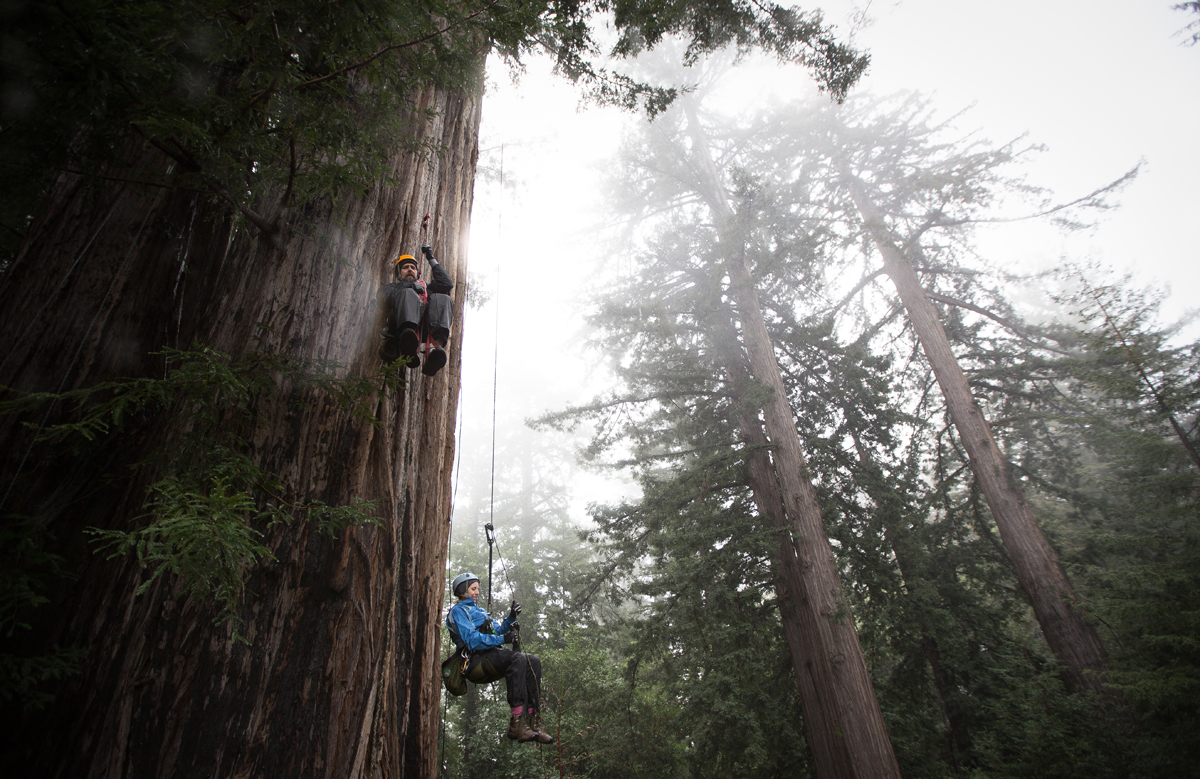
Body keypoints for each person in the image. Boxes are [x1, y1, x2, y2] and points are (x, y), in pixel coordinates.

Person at [445, 572, 554, 744]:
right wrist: (502, 640)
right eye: (473, 589)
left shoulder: (479, 611)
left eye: (478, 589)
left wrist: (511, 617)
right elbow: (472, 640)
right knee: (517, 659)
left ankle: (534, 721)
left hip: (490, 656)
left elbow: (497, 629)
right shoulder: (459, 611)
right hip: (474, 661)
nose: (477, 592)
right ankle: (516, 723)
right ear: (462, 591)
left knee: (533, 661)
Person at [378, 244, 453, 376]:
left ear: (417, 272)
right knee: (407, 293)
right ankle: (408, 339)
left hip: (425, 326)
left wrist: (431, 258)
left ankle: (437, 348)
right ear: (399, 273)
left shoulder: (426, 289)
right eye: (405, 267)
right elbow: (383, 300)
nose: (410, 270)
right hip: (399, 326)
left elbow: (446, 284)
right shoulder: (392, 288)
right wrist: (410, 286)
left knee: (443, 298)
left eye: (413, 268)